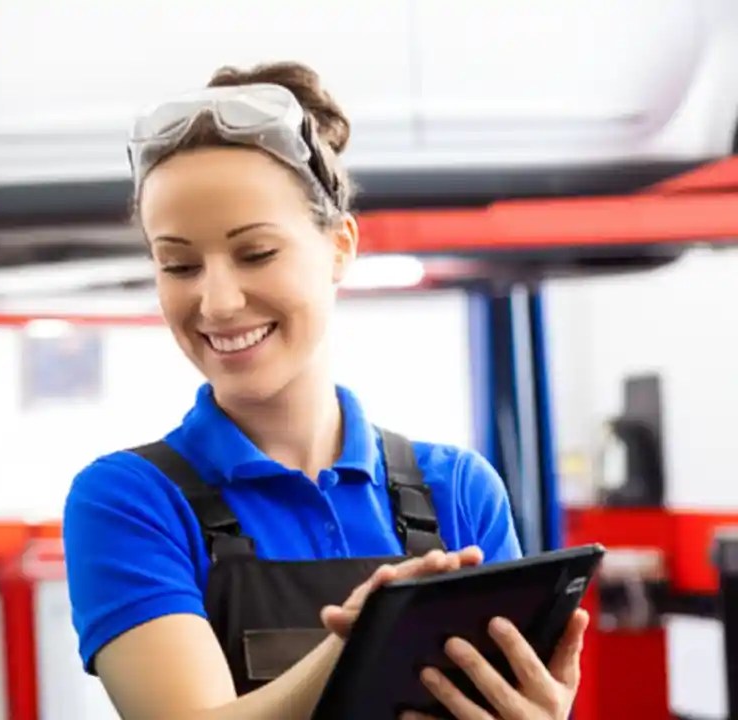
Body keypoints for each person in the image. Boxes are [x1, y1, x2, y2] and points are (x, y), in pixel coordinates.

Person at [62, 62, 589, 720]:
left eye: (255, 253)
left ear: (340, 246)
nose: (218, 302)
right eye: (179, 264)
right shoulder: (131, 502)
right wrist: (362, 639)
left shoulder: (458, 490)